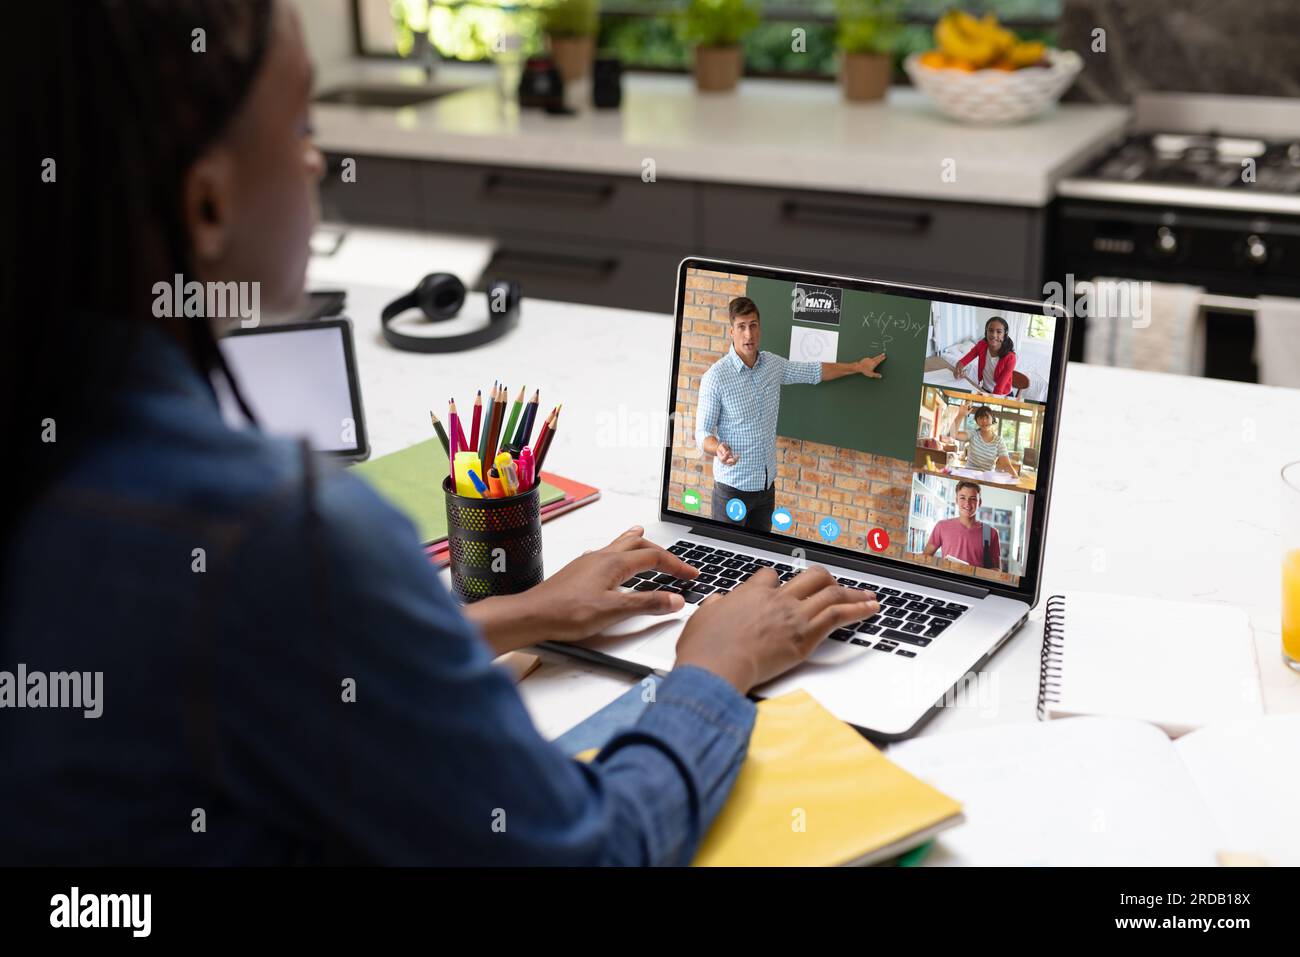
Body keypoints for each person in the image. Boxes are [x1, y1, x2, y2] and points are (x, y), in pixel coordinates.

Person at [0, 0, 882, 865]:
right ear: (207, 205)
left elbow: (280, 672)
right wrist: (712, 673)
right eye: (301, 125)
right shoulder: (278, 537)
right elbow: (590, 849)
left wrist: (527, 612)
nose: (318, 159)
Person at [694, 296, 886, 530]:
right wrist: (718, 449)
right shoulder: (716, 377)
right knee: (728, 555)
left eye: (753, 325)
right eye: (742, 327)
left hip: (765, 490)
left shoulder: (773, 365)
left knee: (760, 561)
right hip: (732, 490)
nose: (748, 334)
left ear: (760, 328)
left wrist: (857, 366)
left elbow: (815, 372)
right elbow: (702, 433)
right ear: (731, 331)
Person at [922, 482, 1002, 570]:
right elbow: (925, 558)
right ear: (956, 500)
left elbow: (996, 570)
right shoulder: (941, 526)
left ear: (979, 502)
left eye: (973, 499)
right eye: (962, 498)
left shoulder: (990, 533)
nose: (967, 503)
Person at [947, 401, 1020, 478]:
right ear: (977, 421)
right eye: (981, 418)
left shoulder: (999, 441)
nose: (984, 421)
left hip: (987, 478)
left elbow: (1006, 465)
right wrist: (960, 414)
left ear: (992, 419)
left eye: (987, 417)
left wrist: (1016, 477)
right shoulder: (973, 434)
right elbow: (953, 434)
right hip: (969, 476)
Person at [954, 316, 1017, 397]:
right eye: (990, 330)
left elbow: (999, 388)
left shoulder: (1011, 358)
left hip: (1003, 394)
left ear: (1005, 334)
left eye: (999, 332)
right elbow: (963, 361)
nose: (994, 335)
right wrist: (958, 369)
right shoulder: (982, 345)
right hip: (985, 389)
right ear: (986, 332)